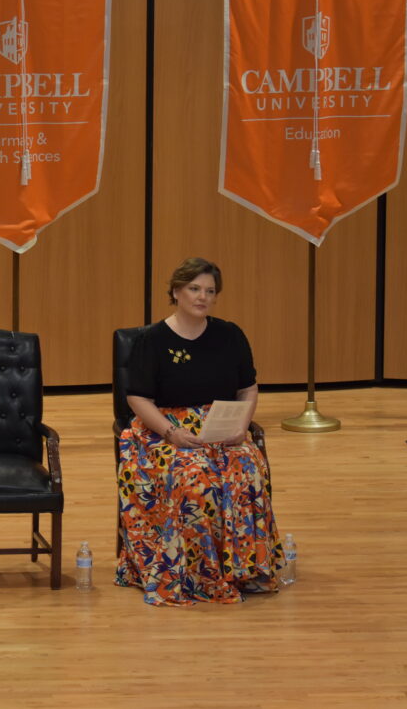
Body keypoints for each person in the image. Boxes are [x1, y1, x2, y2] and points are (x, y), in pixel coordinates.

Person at [116, 257, 283, 606]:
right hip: (163, 428)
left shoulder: (230, 335)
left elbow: (248, 388)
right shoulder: (152, 340)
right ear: (176, 291)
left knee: (247, 469)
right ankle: (193, 575)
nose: (202, 296)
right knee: (195, 477)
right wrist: (171, 433)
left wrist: (241, 425)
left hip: (221, 425)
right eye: (194, 288)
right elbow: (137, 398)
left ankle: (242, 569)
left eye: (209, 291)